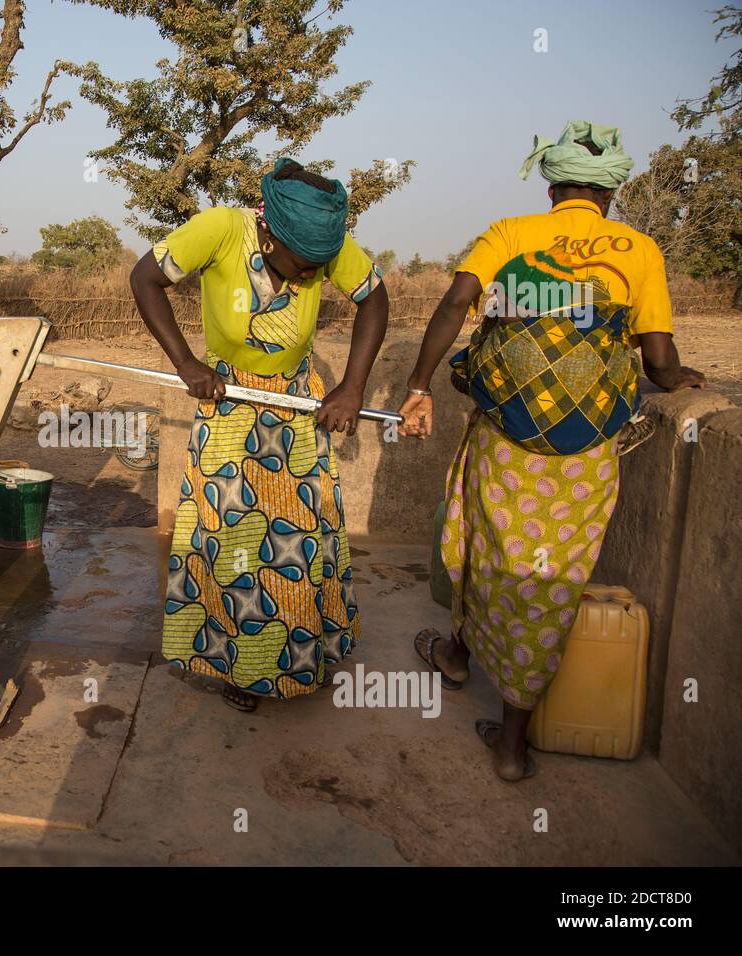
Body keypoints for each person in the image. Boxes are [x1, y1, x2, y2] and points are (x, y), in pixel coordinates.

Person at [398, 121, 705, 780]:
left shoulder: (512, 233)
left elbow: (456, 303)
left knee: (480, 540)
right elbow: (656, 359)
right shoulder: (639, 250)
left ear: (552, 183)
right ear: (611, 189)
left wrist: (420, 383)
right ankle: (511, 743)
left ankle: (455, 654)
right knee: (550, 583)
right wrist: (679, 379)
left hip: (505, 441)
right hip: (585, 452)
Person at [131, 158, 390, 712]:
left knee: (298, 541)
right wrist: (185, 364)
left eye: (320, 268)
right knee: (233, 542)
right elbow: (144, 278)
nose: (311, 276)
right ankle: (241, 667)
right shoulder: (220, 229)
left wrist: (352, 386)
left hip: (297, 406)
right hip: (225, 402)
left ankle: (300, 658)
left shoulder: (322, 248)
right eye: (303, 266)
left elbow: (375, 297)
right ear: (269, 236)